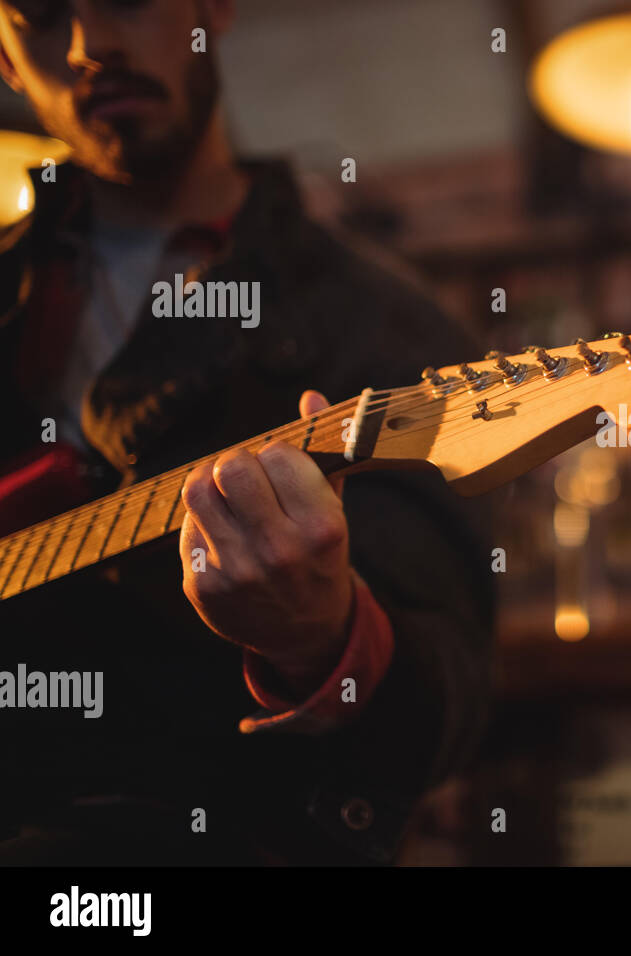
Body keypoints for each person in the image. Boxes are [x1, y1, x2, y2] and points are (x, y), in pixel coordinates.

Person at [0, 0, 494, 864]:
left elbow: (448, 702)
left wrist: (322, 636)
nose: (89, 45)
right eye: (39, 14)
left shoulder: (384, 330)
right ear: (3, 58)